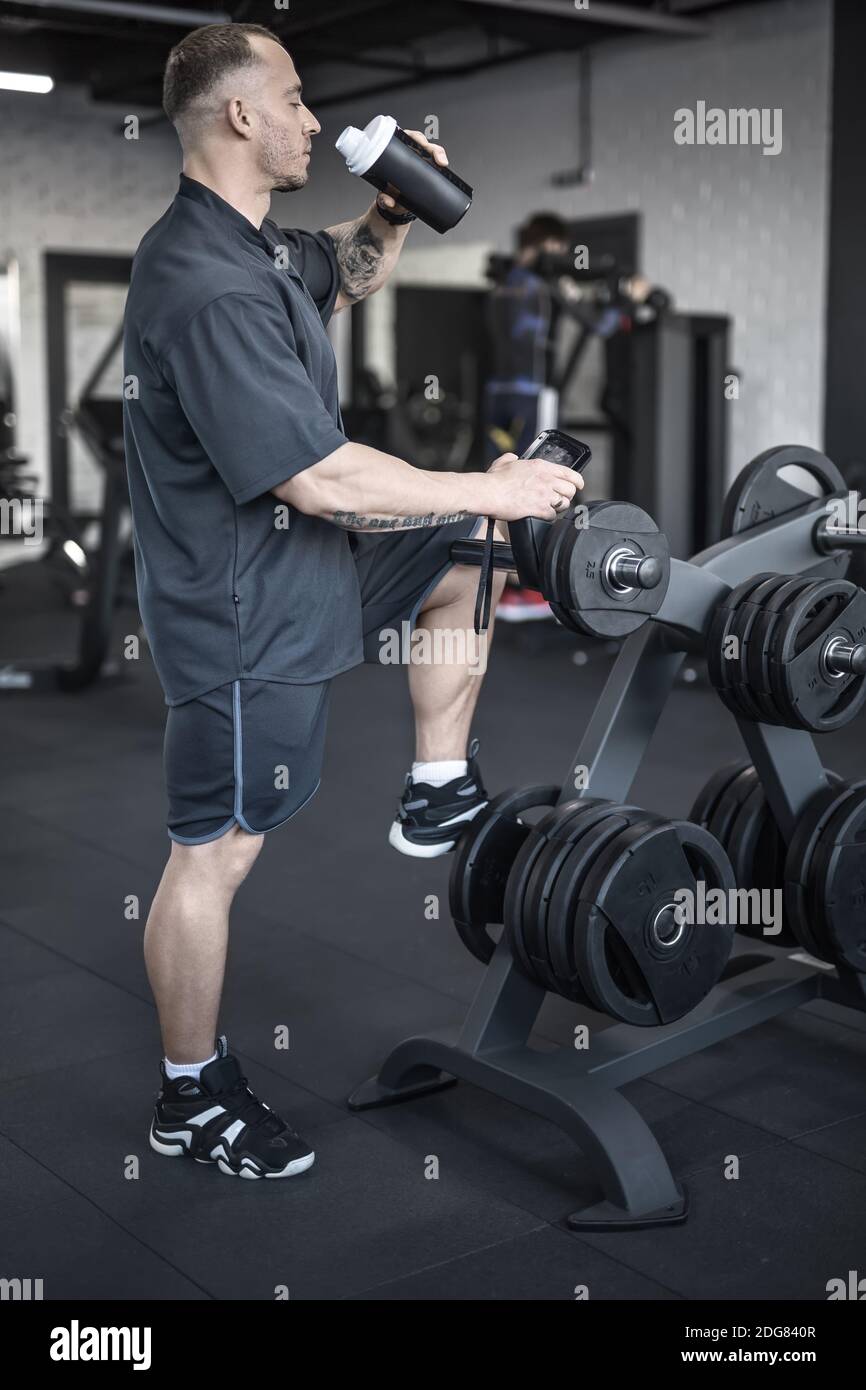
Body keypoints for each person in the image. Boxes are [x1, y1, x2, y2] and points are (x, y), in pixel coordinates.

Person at [122, 23, 581, 1180]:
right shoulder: (199, 280)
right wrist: (494, 474)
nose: (315, 120)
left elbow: (338, 268)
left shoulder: (262, 249)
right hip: (239, 615)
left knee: (469, 538)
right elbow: (318, 474)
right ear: (237, 116)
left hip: (307, 564)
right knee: (215, 854)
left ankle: (434, 788)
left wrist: (386, 216)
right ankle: (189, 1095)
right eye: (294, 97)